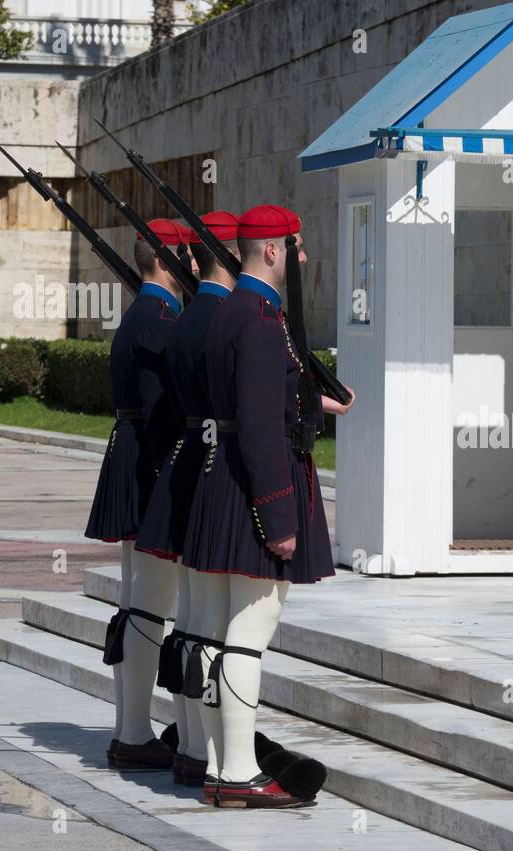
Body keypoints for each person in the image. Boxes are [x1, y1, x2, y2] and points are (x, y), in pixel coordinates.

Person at [179, 204, 343, 808]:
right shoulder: (258, 318)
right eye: (295, 250)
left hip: (223, 481)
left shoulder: (233, 310)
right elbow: (259, 428)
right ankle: (240, 770)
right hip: (252, 489)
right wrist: (280, 518)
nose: (301, 260)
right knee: (251, 631)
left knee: (227, 633)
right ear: (272, 251)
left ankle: (223, 764)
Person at [83, 218, 193, 768]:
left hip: (132, 461)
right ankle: (132, 735)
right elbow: (162, 416)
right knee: (149, 606)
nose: (195, 265)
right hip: (149, 468)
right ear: (167, 260)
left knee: (137, 603)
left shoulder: (144, 313)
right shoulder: (158, 319)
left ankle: (131, 729)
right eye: (188, 256)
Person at [135, 211, 239, 787]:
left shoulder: (184, 319)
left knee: (191, 619)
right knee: (206, 622)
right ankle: (208, 751)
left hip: (184, 464)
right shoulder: (217, 319)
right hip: (211, 467)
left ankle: (193, 745)